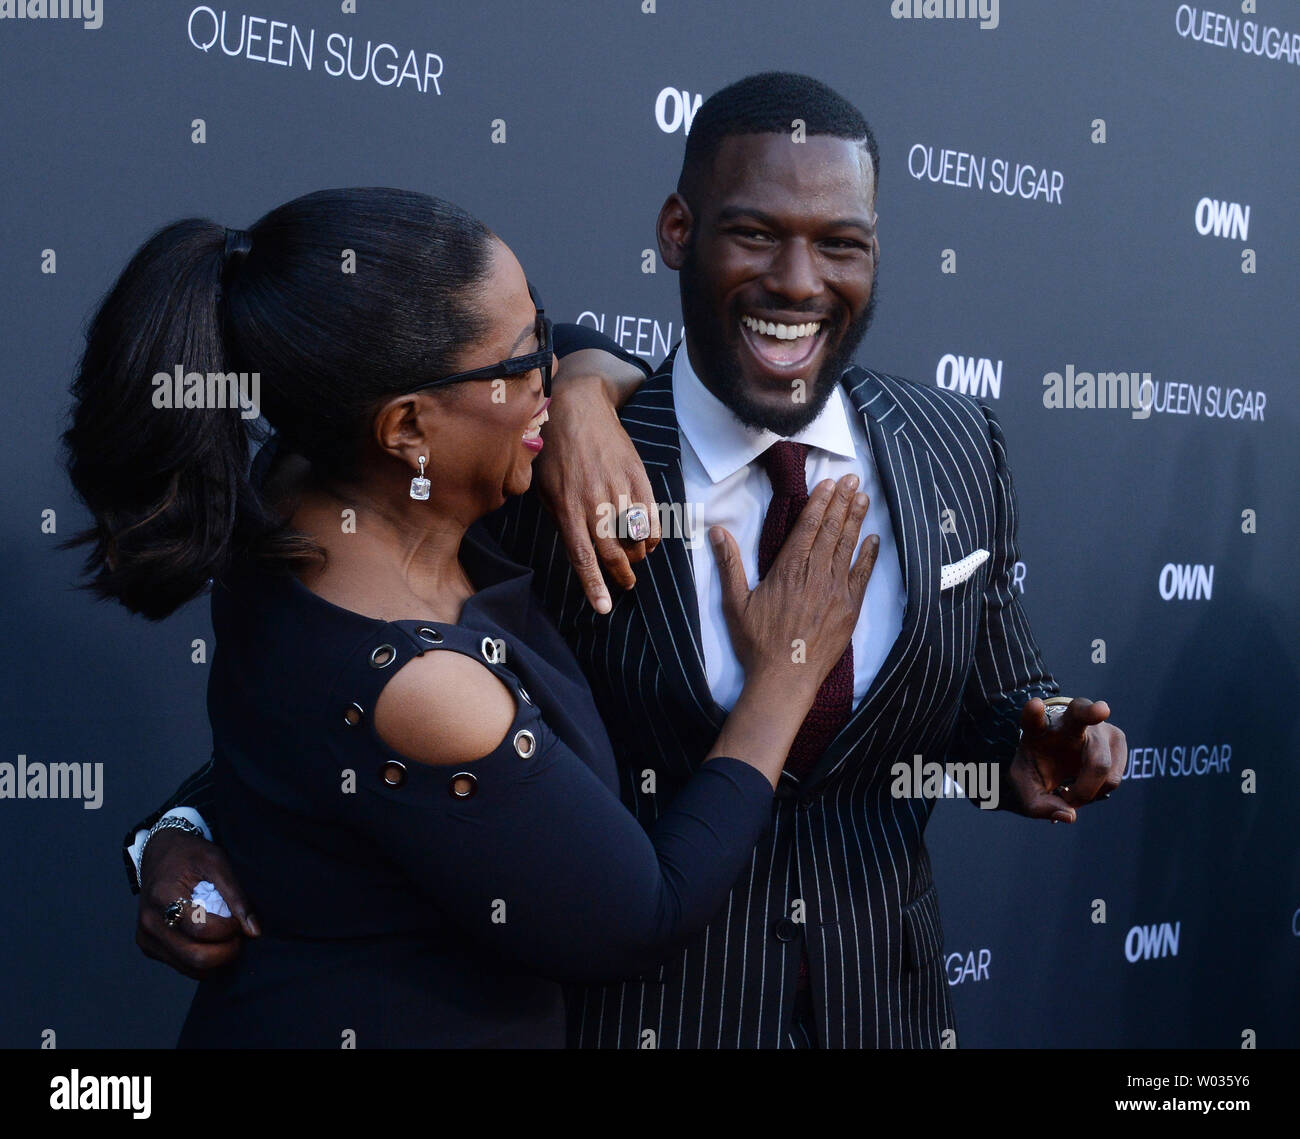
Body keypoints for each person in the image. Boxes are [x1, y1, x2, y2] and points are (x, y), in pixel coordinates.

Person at [131, 74, 1128, 1050]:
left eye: (840, 243)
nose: (796, 279)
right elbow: (347, 717)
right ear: (676, 231)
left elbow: (992, 695)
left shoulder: (954, 445)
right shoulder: (529, 476)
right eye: (754, 232)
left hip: (884, 1004)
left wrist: (1029, 735)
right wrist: (172, 830)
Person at [67, 186, 881, 1046]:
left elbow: (303, 767)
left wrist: (577, 400)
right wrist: (785, 680)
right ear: (407, 427)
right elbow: (641, 913)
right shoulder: (428, 691)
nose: (546, 369)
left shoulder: (296, 478)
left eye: (540, 328)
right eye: (519, 364)